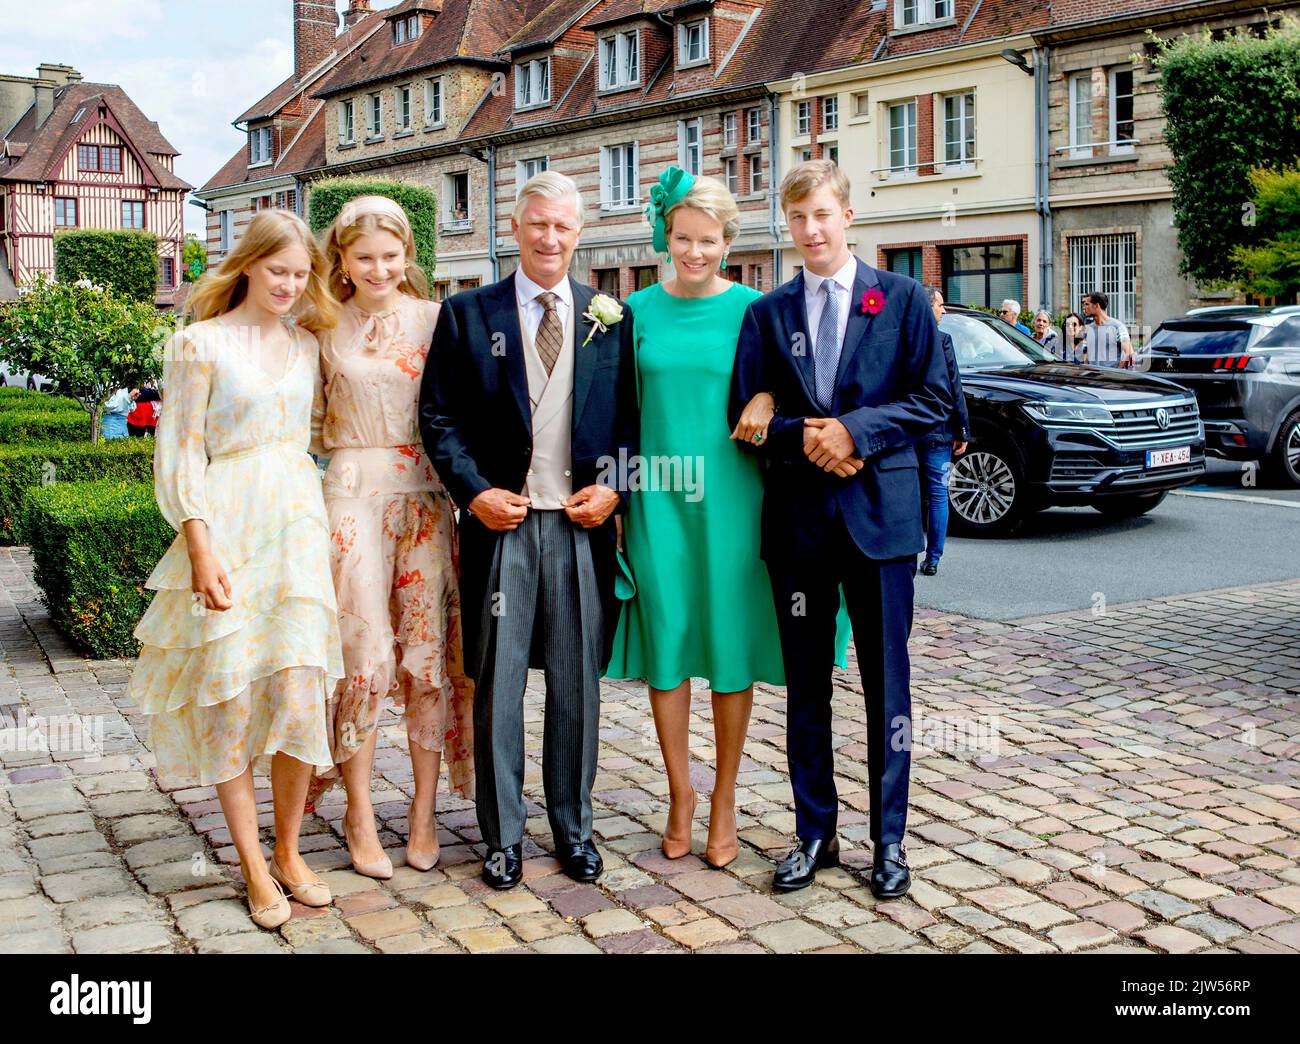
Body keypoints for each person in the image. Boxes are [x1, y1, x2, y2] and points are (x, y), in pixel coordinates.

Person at [605, 167, 850, 871]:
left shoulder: (758, 310)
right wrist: (617, 496)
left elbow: (794, 382)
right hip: (656, 497)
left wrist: (769, 397)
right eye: (683, 238)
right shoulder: (633, 312)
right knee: (671, 645)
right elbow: (616, 412)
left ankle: (724, 797)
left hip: (736, 499)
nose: (695, 252)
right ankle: (680, 792)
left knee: (729, 646)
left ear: (727, 241)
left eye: (708, 240)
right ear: (666, 237)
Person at [729, 160, 950, 898]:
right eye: (797, 219)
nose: (811, 230)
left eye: (822, 214)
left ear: (848, 216)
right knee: (805, 688)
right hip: (798, 528)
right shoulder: (767, 314)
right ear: (786, 225)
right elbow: (747, 422)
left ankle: (889, 841)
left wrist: (856, 431)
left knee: (889, 689)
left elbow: (937, 405)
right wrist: (807, 436)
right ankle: (814, 832)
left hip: (881, 526)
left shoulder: (904, 300)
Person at [419, 171, 638, 891]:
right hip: (501, 527)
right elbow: (439, 420)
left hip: (578, 528)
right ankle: (502, 835)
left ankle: (573, 828)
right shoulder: (467, 315)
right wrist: (475, 493)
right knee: (499, 685)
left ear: (580, 234)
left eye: (564, 227)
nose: (550, 238)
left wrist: (614, 485)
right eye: (538, 224)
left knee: (577, 685)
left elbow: (632, 424)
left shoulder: (610, 317)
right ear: (516, 228)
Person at [129, 210, 343, 930]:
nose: (288, 285)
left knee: (296, 692)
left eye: (299, 274)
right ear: (247, 265)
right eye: (276, 270)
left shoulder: (309, 344)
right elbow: (179, 452)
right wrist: (199, 546)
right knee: (229, 694)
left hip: (297, 527)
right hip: (228, 523)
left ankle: (288, 852)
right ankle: (251, 865)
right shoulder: (198, 344)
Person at [308, 195, 475, 878]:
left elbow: (465, 412)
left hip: (427, 498)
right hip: (351, 493)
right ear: (342, 260)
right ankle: (357, 813)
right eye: (365, 256)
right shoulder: (318, 325)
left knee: (427, 655)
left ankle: (423, 812)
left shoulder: (438, 321)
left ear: (408, 255)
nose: (379, 267)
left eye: (391, 254)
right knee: (366, 655)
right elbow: (304, 421)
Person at [918, 287, 970, 576]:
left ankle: (910, 554)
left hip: (908, 430)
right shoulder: (942, 341)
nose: (944, 310)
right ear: (928, 307)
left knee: (911, 494)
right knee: (939, 493)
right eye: (940, 304)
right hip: (939, 430)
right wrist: (962, 429)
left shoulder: (902, 338)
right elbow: (954, 386)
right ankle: (933, 557)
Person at [1082, 291, 1133, 367]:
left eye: (1087, 304)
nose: (1084, 307)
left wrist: (1117, 372)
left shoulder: (1117, 326)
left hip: (1111, 376)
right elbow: (1086, 353)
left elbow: (1128, 352)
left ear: (1096, 306)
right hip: (1093, 377)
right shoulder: (1088, 329)